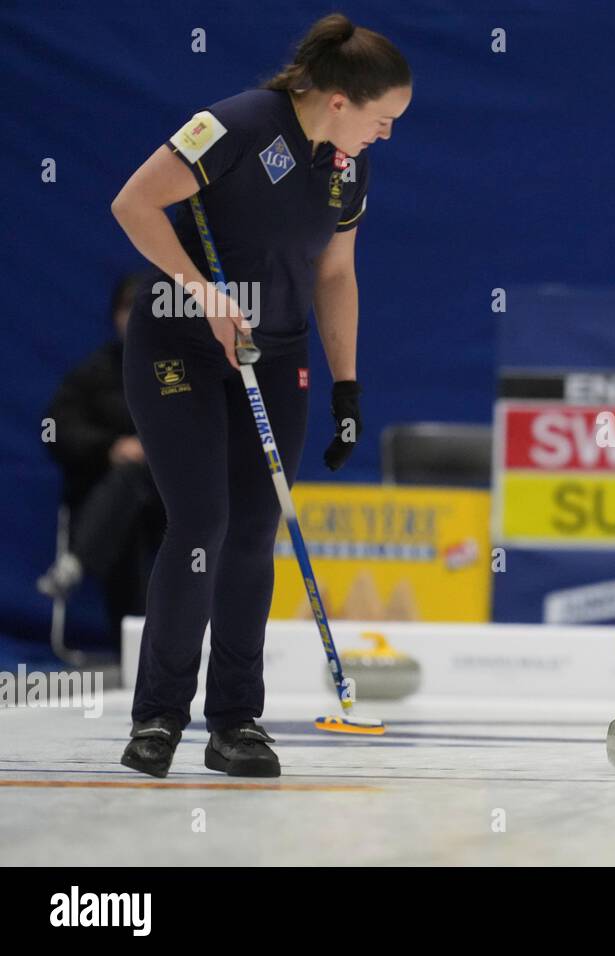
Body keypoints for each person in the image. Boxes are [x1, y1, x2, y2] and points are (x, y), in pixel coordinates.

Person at [109, 13, 411, 778]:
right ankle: (158, 716)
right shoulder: (237, 123)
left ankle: (235, 720)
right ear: (340, 99)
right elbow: (134, 205)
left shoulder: (348, 163)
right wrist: (202, 292)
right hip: (181, 340)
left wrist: (347, 385)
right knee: (202, 521)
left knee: (253, 529)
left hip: (273, 351)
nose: (386, 135)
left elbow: (335, 274)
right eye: (383, 119)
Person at [38, 273, 165, 640]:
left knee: (139, 478)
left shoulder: (182, 369)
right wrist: (109, 448)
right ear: (115, 316)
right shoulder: (94, 372)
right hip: (106, 501)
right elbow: (54, 428)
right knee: (127, 501)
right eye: (128, 309)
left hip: (173, 502)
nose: (136, 318)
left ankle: (76, 563)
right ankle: (135, 647)